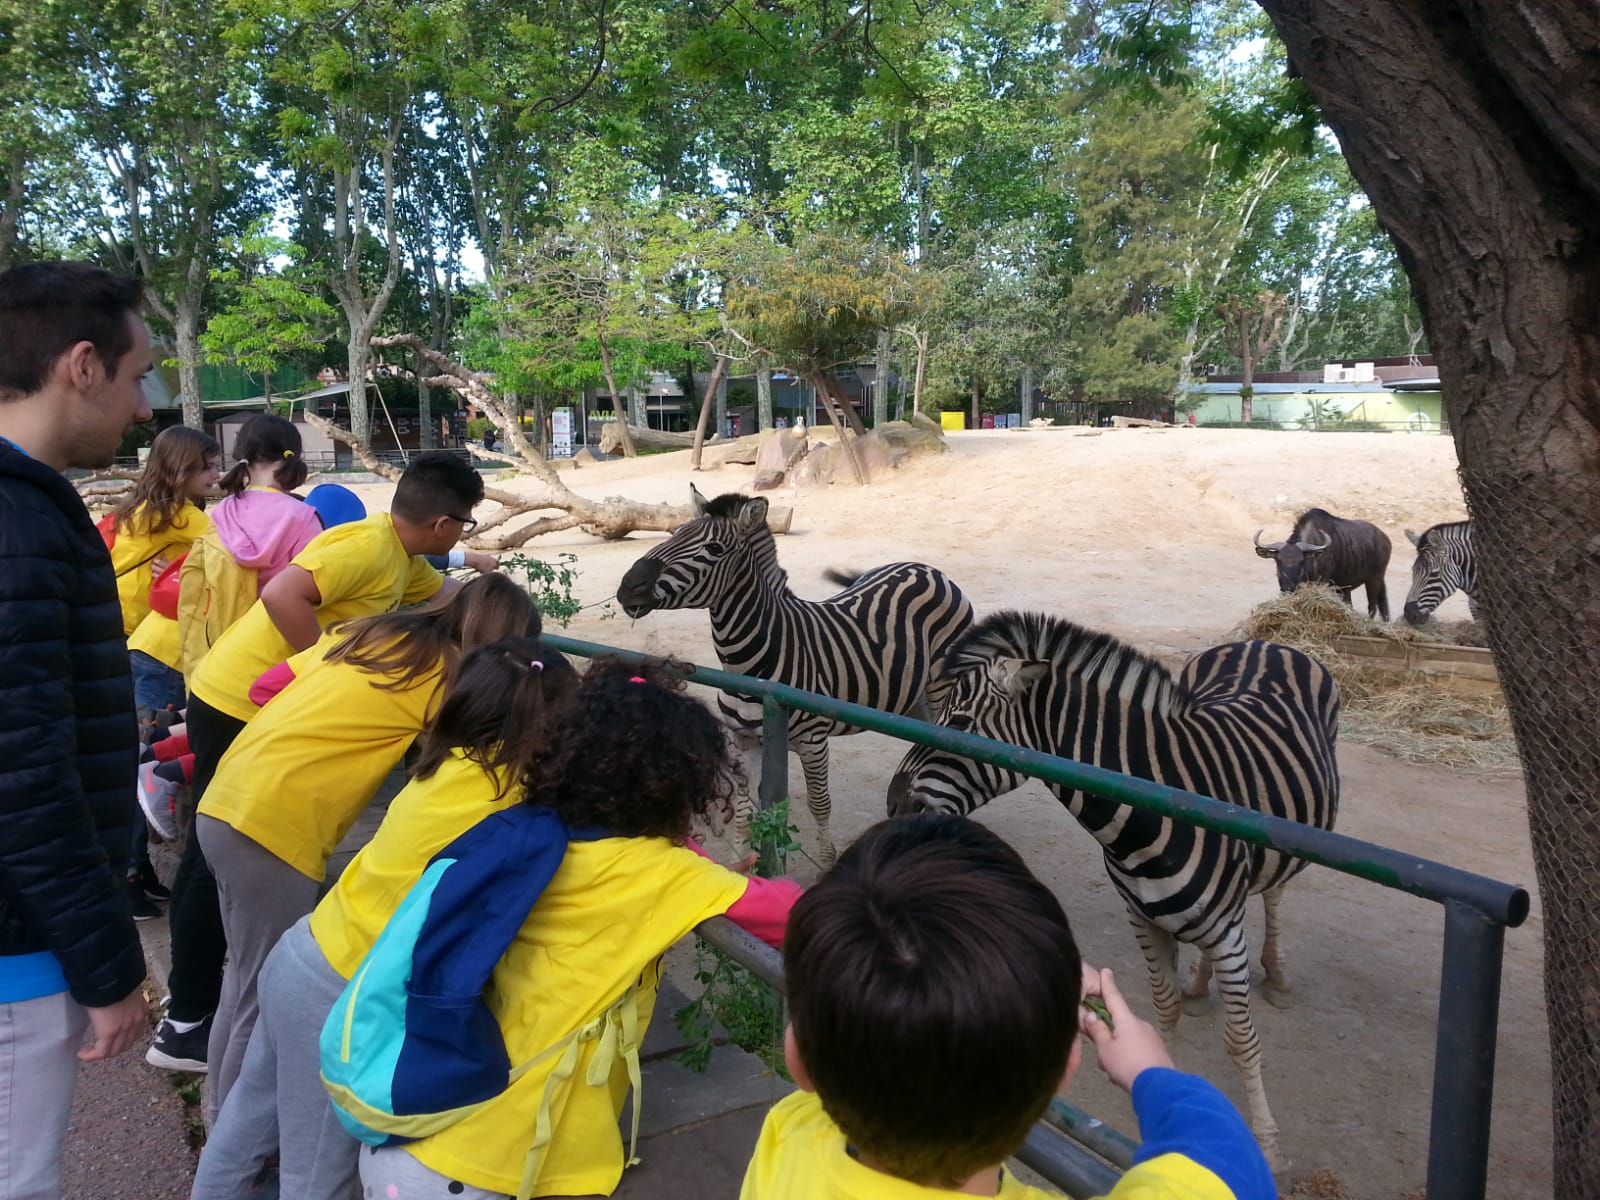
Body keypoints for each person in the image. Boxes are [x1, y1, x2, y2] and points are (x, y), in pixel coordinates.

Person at [356, 658, 802, 1200]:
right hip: (489, 1167)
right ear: (680, 783)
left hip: (413, 1133)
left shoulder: (528, 830)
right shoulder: (665, 873)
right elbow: (787, 914)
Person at [190, 636, 580, 1200]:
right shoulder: (514, 801)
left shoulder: (445, 765)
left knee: (245, 1125)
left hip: (304, 951)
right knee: (316, 1175)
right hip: (340, 995)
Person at [739, 814, 1277, 1200]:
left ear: (798, 1058)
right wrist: (1151, 1072)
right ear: (1065, 1068)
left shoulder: (789, 1137)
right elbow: (1230, 1163)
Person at [197, 574, 539, 1121]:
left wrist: (326, 726)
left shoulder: (366, 632)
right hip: (278, 829)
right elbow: (479, 760)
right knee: (256, 995)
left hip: (224, 800)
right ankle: (229, 1129)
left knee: (240, 977)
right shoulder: (446, 676)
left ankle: (218, 1111)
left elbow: (264, 688)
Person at [0, 261, 154, 1199]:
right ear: (83, 365)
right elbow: (21, 778)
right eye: (140, 379)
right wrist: (108, 969)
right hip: (17, 944)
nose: (144, 412)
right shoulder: (18, 527)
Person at [111, 425, 222, 919]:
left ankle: (138, 871)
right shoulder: (184, 517)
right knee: (145, 771)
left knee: (136, 762)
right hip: (164, 651)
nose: (216, 475)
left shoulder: (137, 509)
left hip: (136, 643)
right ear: (181, 469)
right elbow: (235, 548)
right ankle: (130, 877)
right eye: (207, 466)